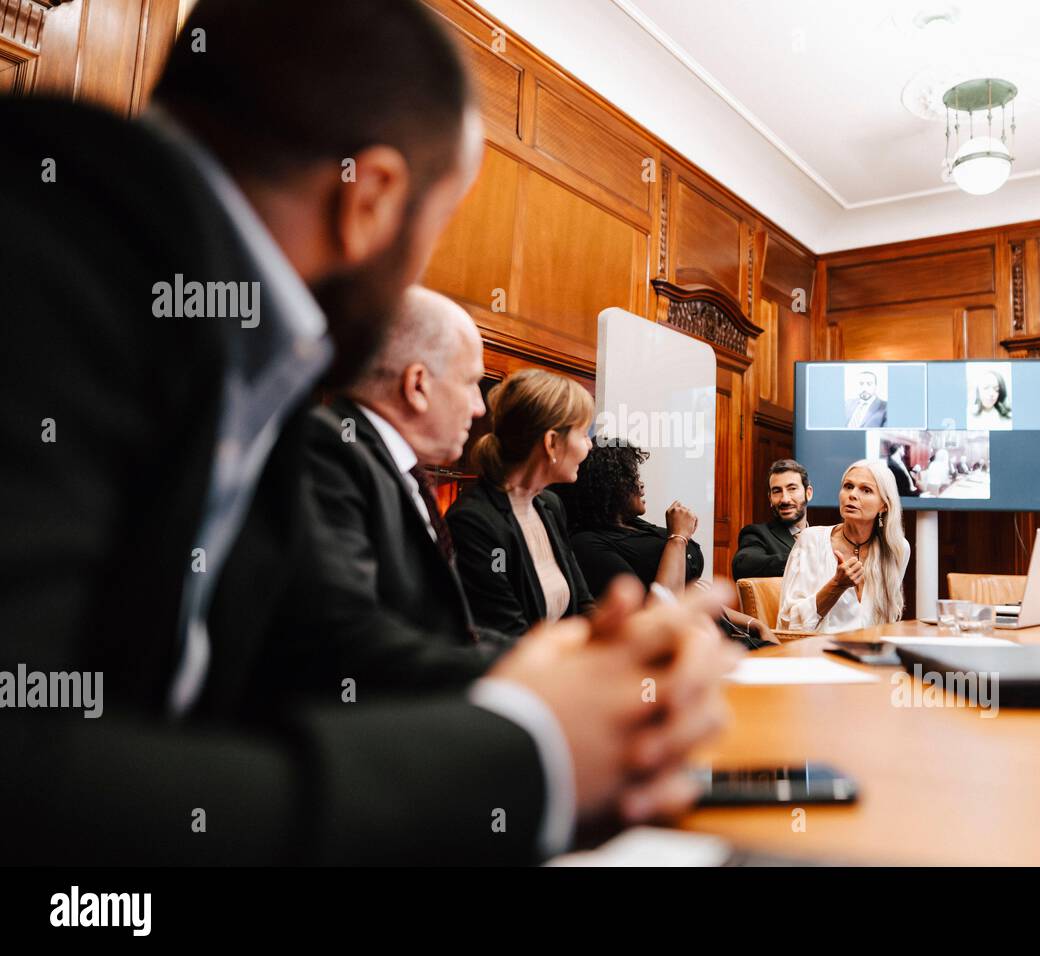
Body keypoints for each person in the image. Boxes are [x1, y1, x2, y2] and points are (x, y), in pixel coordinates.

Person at [0, 0, 736, 864]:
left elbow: (308, 642)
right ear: (372, 197)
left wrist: (578, 687)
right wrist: (526, 759)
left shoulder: (247, 356)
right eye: (438, 224)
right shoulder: (42, 240)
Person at [275, 287, 511, 696]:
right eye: (472, 383)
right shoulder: (328, 449)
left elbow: (445, 628)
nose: (479, 408)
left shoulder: (391, 463)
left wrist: (559, 653)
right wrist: (522, 672)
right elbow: (345, 636)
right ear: (417, 385)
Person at [555, 443, 775, 648]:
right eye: (629, 478)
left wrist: (753, 624)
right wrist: (678, 537)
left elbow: (690, 592)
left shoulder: (637, 525)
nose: (640, 485)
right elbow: (659, 610)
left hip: (722, 633)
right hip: (686, 650)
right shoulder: (588, 543)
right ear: (605, 487)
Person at [447, 369, 597, 637]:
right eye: (584, 433)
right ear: (551, 442)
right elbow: (507, 635)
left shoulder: (550, 506)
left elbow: (583, 602)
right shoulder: (474, 521)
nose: (589, 445)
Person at [777, 459, 910, 633]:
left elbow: (886, 620)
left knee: (922, 660)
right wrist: (836, 585)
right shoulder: (811, 540)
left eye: (866, 490)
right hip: (818, 653)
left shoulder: (897, 549)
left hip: (871, 653)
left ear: (884, 505)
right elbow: (787, 623)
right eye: (848, 486)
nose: (852, 494)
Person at [731, 459, 813, 579]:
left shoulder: (822, 537)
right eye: (777, 491)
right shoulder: (757, 534)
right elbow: (742, 565)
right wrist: (801, 560)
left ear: (808, 493)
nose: (785, 499)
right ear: (770, 498)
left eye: (792, 489)